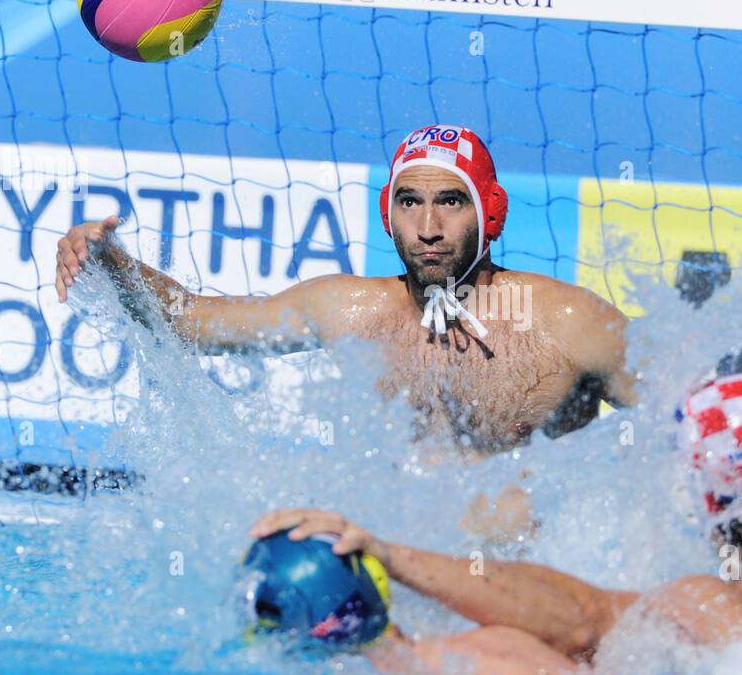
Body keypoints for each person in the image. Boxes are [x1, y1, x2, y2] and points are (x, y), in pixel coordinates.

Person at [242, 373, 742, 675]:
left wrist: (389, 556)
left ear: (692, 497)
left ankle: (387, 653)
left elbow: (582, 617)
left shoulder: (714, 607)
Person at [54, 125, 635, 455]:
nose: (428, 228)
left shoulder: (567, 321)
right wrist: (110, 262)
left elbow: (690, 416)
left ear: (490, 214)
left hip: (525, 588)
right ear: (388, 213)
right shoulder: (348, 309)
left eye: (450, 202)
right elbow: (192, 323)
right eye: (410, 202)